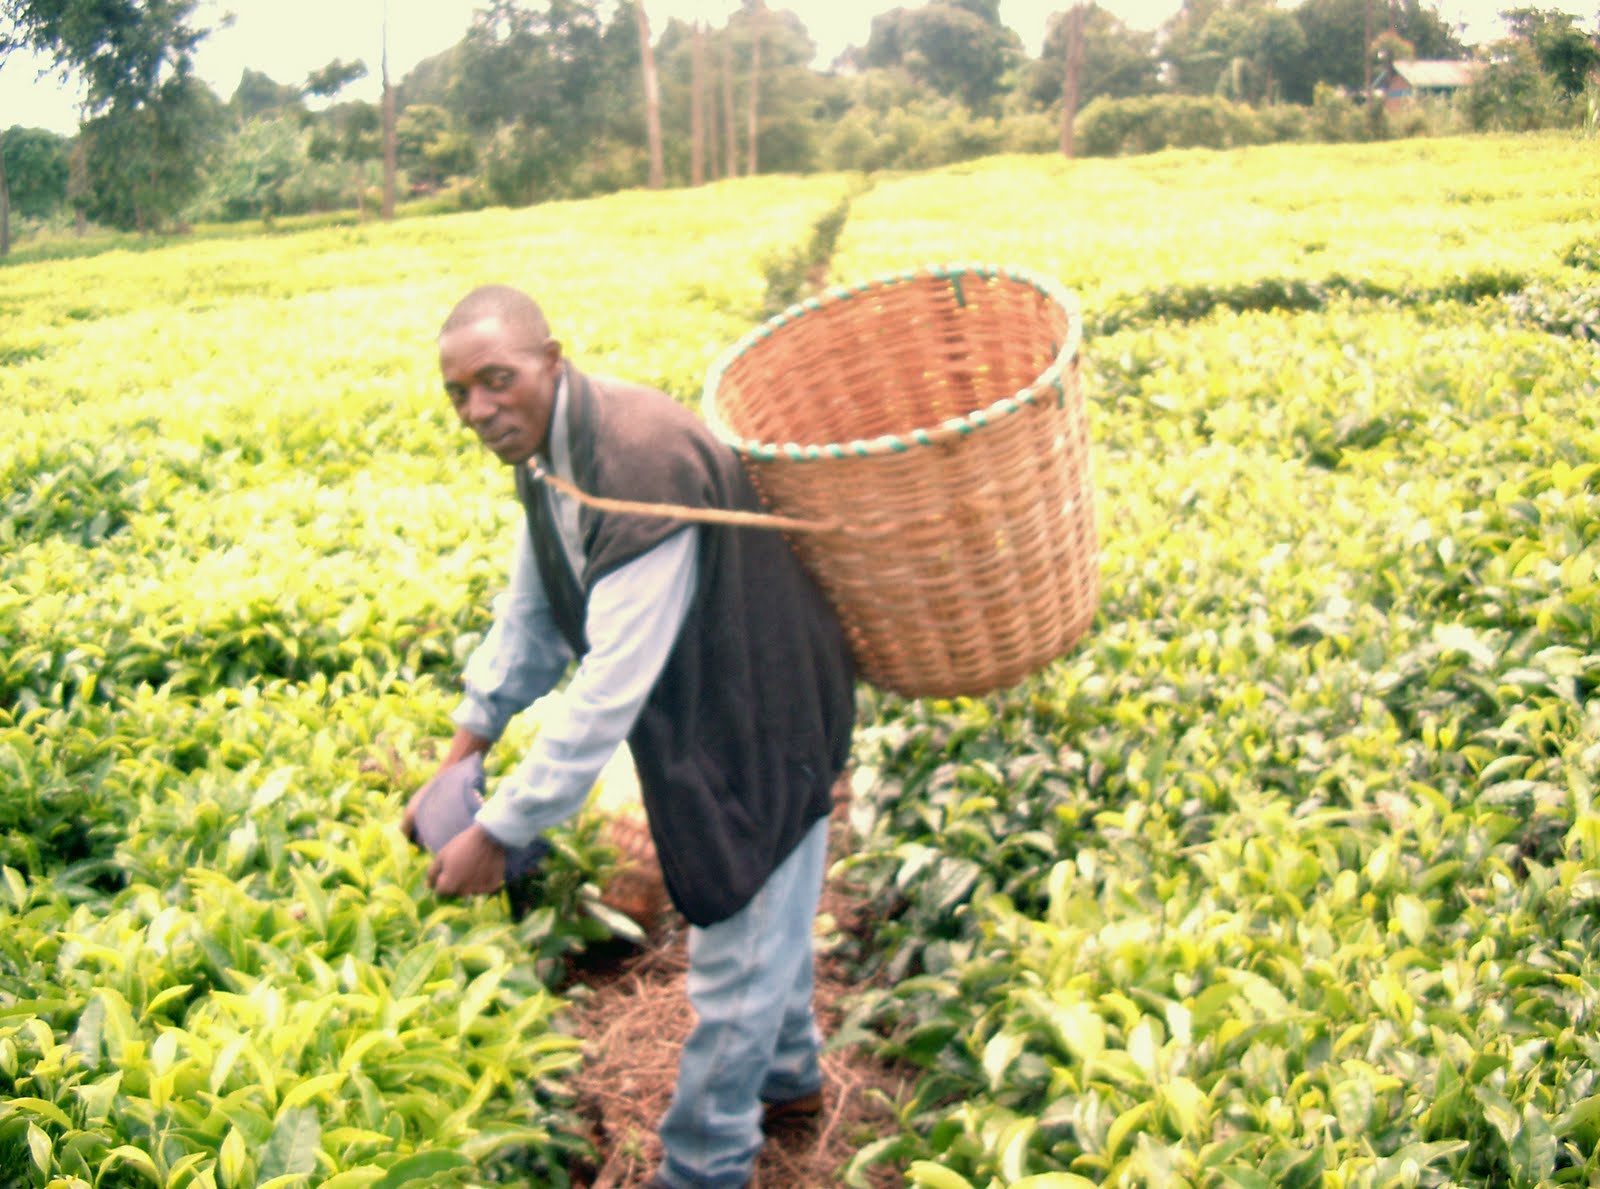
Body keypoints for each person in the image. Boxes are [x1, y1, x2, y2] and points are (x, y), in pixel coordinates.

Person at [404, 284, 856, 1189]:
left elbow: (610, 686)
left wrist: (501, 830)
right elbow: (530, 618)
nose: (479, 409)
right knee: (767, 913)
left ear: (553, 359)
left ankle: (703, 1167)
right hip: (709, 706)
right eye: (459, 393)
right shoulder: (549, 456)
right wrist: (463, 749)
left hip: (763, 714)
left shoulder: (638, 459)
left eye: (498, 380)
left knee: (736, 953)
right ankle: (793, 1079)